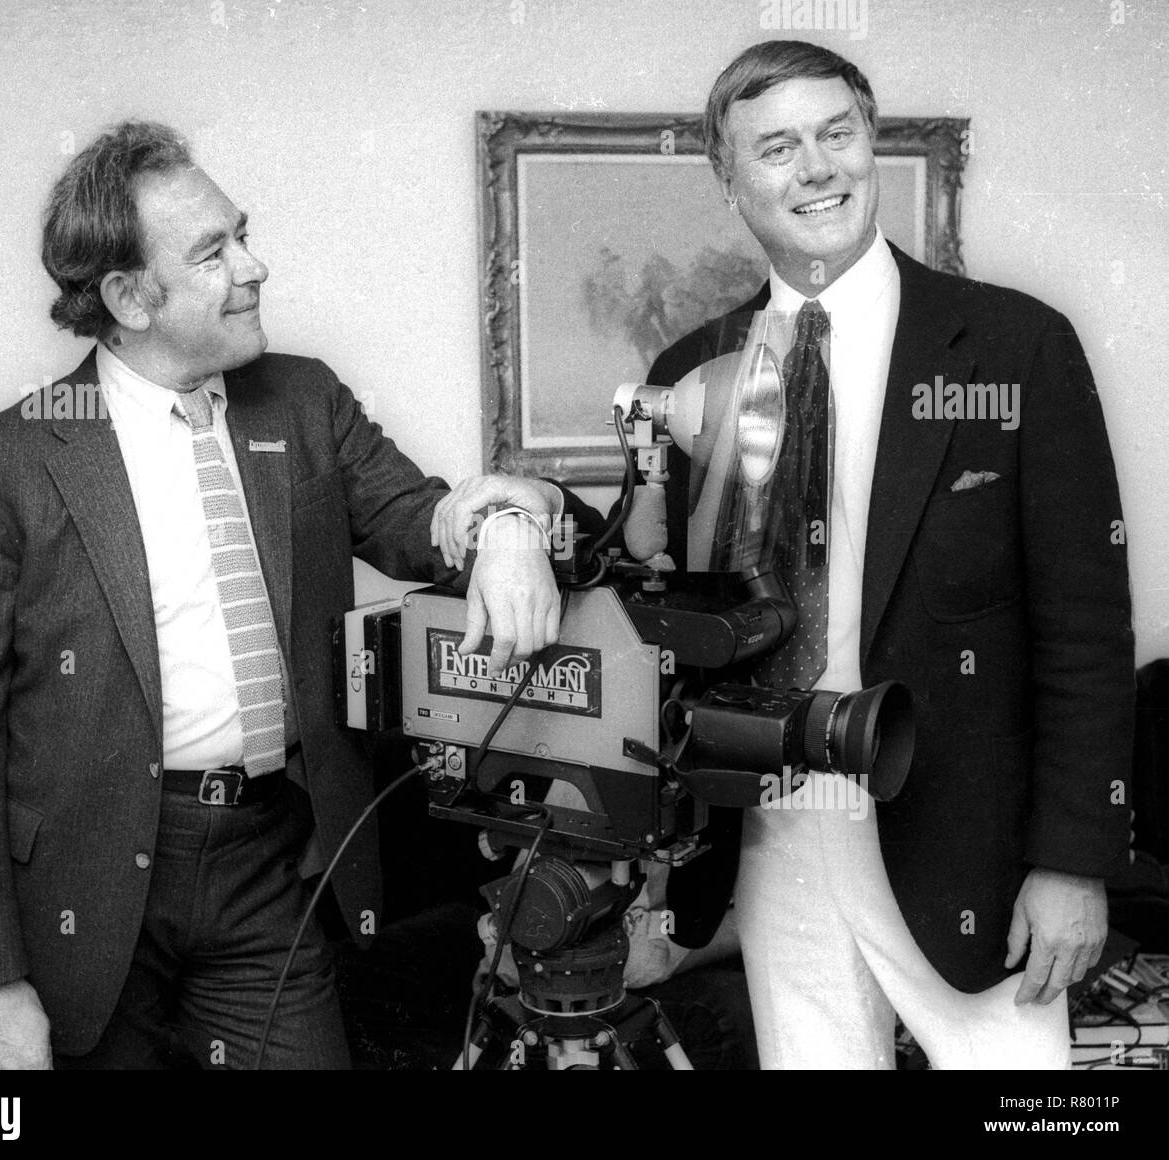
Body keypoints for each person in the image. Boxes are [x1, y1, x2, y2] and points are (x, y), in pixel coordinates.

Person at [453, 40, 1134, 1068]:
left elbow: (1086, 628)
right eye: (775, 148)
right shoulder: (690, 368)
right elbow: (652, 587)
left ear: (870, 146)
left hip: (968, 846)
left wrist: (1073, 862)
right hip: (771, 843)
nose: (815, 168)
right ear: (730, 184)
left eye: (837, 134)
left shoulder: (1014, 347)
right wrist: (509, 515)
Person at [0, 121, 565, 1070]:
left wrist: (508, 525)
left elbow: (424, 521)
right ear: (129, 297)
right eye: (213, 252)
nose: (255, 266)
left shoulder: (301, 401)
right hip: (81, 889)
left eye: (240, 234)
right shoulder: (0, 464)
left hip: (273, 863)